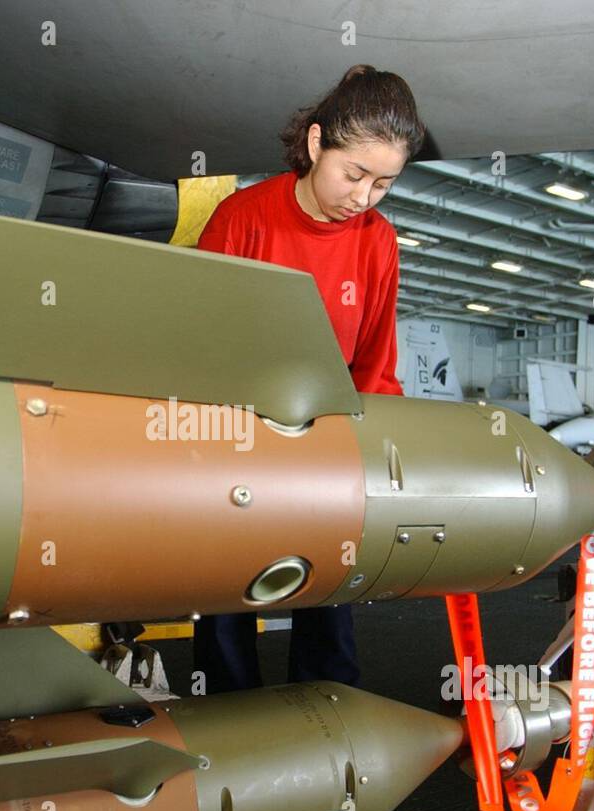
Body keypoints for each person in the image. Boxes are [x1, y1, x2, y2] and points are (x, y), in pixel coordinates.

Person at [192, 64, 423, 700]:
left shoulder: (377, 241)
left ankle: (328, 712)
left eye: (384, 183)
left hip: (328, 440)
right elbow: (200, 344)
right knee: (226, 596)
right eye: (354, 175)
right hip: (237, 438)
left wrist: (371, 455)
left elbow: (375, 360)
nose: (364, 197)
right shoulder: (242, 219)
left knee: (329, 592)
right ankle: (227, 712)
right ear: (317, 142)